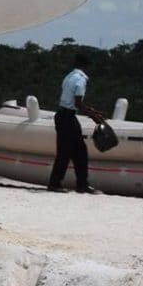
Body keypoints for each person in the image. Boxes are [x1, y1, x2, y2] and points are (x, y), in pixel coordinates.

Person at [47, 57, 103, 193]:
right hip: (68, 117)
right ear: (86, 66)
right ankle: (57, 184)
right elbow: (78, 102)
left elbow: (72, 101)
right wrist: (94, 116)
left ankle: (80, 184)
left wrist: (91, 111)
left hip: (63, 115)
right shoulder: (81, 79)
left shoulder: (69, 76)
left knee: (77, 151)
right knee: (68, 152)